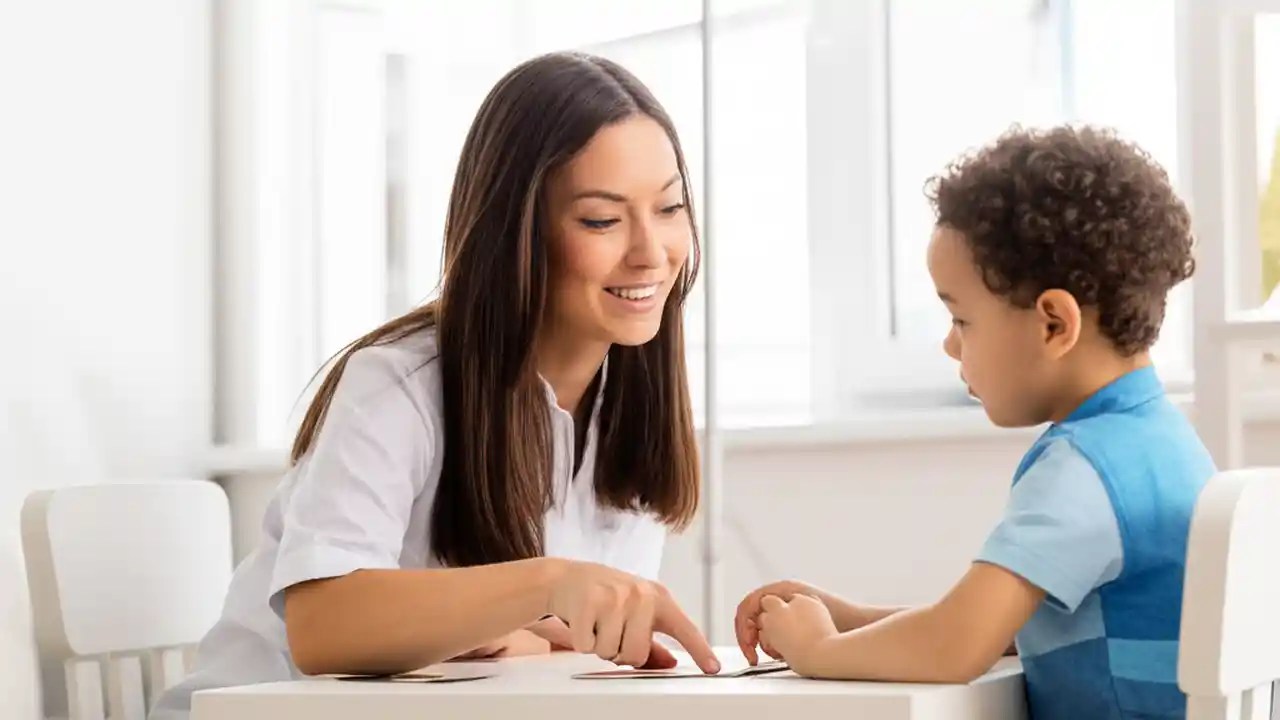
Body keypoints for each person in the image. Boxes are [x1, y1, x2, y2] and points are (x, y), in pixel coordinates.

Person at [152, 50, 720, 720]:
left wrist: (509, 625)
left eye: (670, 207)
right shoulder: (398, 384)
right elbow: (323, 626)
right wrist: (546, 585)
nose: (652, 252)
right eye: (601, 219)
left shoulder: (628, 406)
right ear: (518, 233)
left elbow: (556, 651)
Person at [735, 126, 1212, 720]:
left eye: (962, 320)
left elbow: (957, 645)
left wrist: (819, 649)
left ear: (1054, 325)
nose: (949, 345)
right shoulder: (1164, 443)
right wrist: (854, 620)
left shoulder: (1085, 468)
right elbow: (1009, 629)